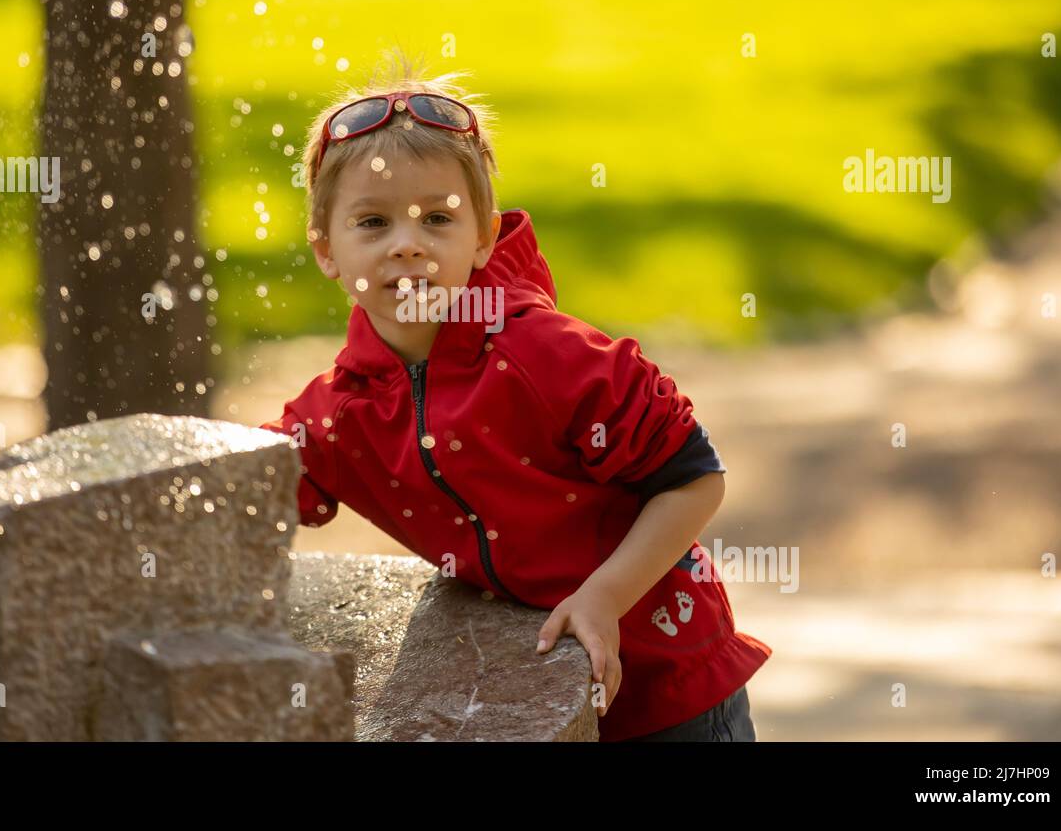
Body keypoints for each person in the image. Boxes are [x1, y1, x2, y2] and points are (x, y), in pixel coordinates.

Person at [260, 53, 771, 742]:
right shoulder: (341, 412)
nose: (408, 246)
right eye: (374, 223)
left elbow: (695, 479)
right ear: (326, 251)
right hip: (537, 692)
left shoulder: (548, 357)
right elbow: (249, 490)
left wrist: (604, 598)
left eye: (437, 220)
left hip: (668, 680)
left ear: (484, 237)